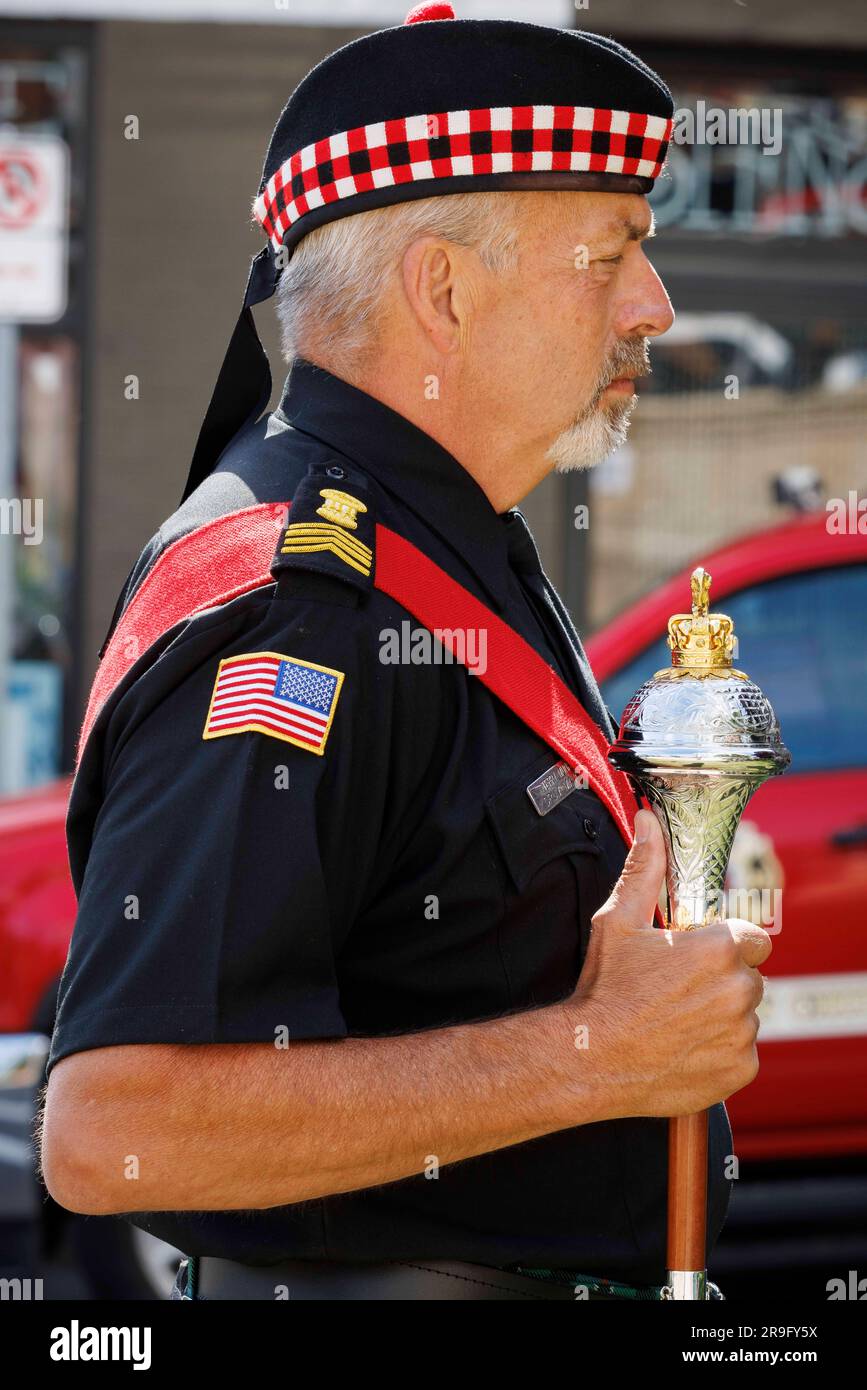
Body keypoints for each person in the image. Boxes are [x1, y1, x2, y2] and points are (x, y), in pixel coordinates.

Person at [38, 5, 770, 1301]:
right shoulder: (300, 601)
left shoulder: (440, 543)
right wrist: (600, 1053)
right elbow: (114, 1129)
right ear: (443, 291)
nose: (655, 306)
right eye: (612, 255)